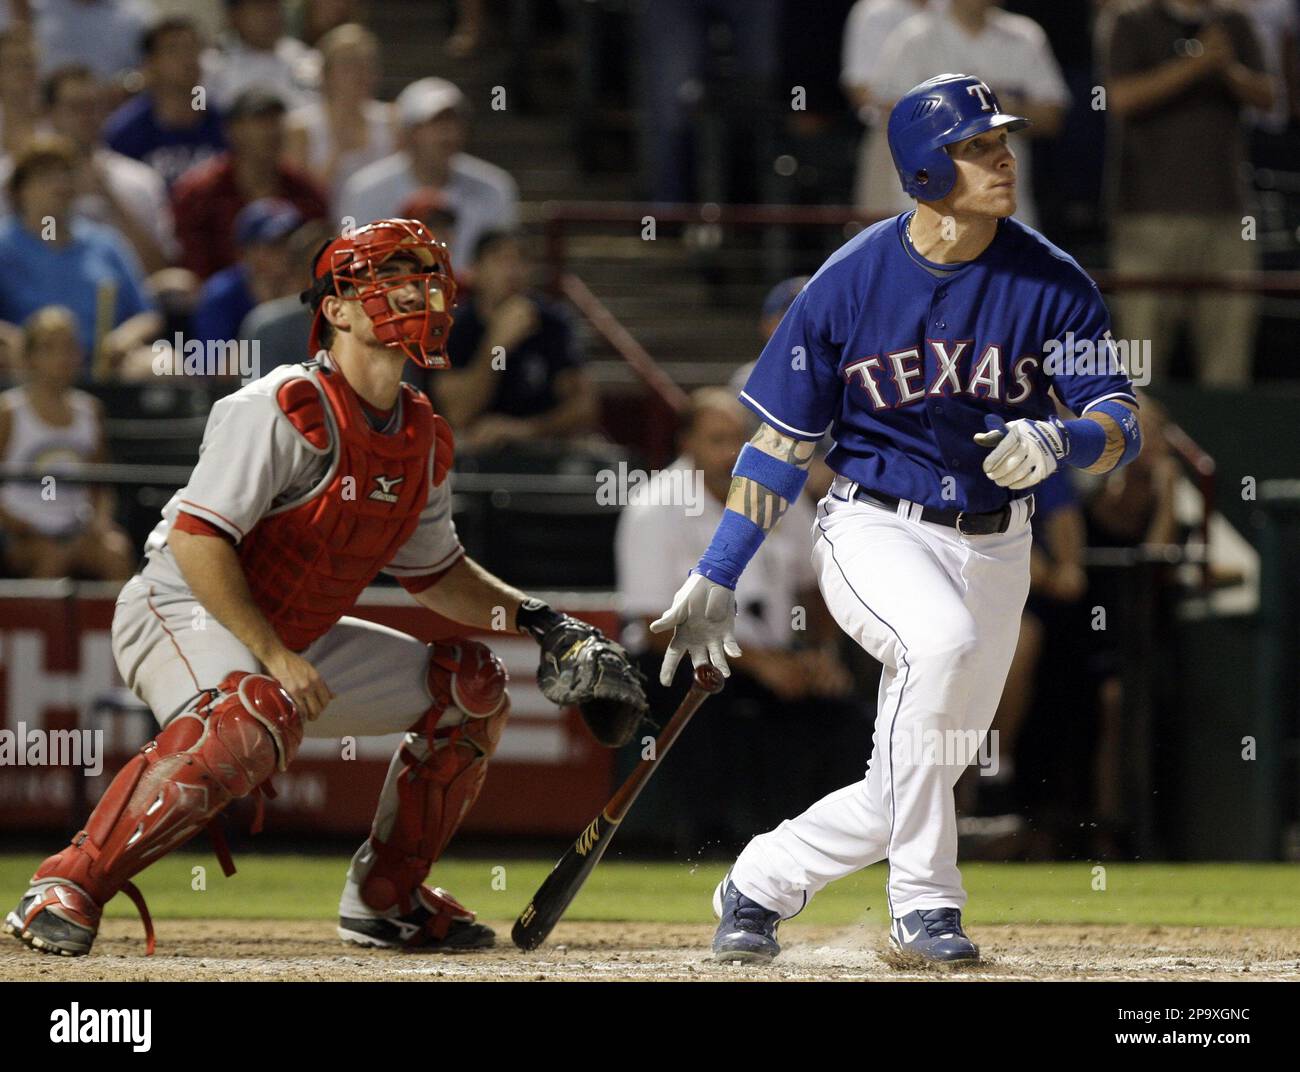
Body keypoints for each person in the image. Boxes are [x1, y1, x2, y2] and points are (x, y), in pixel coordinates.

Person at [3, 217, 648, 958]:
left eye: (423, 278)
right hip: (177, 608)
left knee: (471, 688)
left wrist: (541, 621)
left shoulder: (422, 435)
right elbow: (198, 538)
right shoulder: (279, 406)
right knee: (251, 715)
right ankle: (67, 882)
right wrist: (272, 653)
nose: (415, 292)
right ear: (336, 308)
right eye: (389, 278)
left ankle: (386, 899)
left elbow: (435, 575)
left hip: (289, 640)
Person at [651, 75, 1143, 966]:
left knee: (918, 770)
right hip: (875, 526)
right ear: (923, 168)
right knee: (940, 647)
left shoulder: (1052, 281)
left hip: (998, 542)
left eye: (1002, 141)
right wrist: (717, 570)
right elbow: (778, 444)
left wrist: (1063, 438)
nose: (1002, 158)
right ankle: (925, 907)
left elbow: (1120, 426)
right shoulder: (850, 280)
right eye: (975, 145)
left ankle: (758, 880)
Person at [616, 389, 859, 851]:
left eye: (738, 439)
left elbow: (813, 590)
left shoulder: (775, 495)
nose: (730, 451)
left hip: (779, 659)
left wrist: (816, 654)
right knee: (716, 709)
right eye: (716, 439)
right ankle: (713, 848)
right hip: (684, 665)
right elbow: (654, 624)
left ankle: (835, 847)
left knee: (844, 714)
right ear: (687, 443)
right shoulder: (656, 507)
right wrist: (758, 664)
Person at [1098, 0, 1272, 386]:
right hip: (1147, 213)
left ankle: (1225, 446)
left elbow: (1269, 96)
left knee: (1229, 362)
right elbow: (1121, 98)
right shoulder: (1131, 21)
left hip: (1228, 211)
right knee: (1140, 366)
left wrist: (1226, 67)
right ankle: (1138, 446)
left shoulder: (1235, 23)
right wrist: (1197, 64)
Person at [860, 0, 1068, 227]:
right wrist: (961, 111)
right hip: (934, 200)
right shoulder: (915, 36)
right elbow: (891, 113)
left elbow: (1052, 116)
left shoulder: (1024, 34)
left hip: (1004, 199)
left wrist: (998, 110)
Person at [0, 135, 160, 373]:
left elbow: (147, 315)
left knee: (157, 363)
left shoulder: (105, 243)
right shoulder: (5, 245)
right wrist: (16, 343)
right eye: (45, 176)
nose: (59, 184)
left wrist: (123, 338)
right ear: (19, 190)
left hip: (102, 366)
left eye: (66, 174)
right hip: (25, 368)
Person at [429, 229, 599, 450]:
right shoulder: (453, 327)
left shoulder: (552, 323)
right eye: (500, 260)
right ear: (475, 271)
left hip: (541, 448)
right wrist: (496, 346)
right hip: (472, 452)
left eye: (521, 260)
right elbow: (458, 414)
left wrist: (523, 430)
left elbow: (584, 409)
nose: (512, 270)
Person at [0, 306, 135, 580]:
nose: (62, 357)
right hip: (19, 534)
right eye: (49, 348)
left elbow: (100, 482)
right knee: (52, 556)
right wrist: (19, 526)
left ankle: (119, 624)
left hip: (78, 528)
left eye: (69, 347)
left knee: (116, 551)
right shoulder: (9, 412)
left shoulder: (91, 411)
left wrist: (100, 524)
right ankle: (36, 624)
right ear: (29, 357)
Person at [337, 77, 518, 271]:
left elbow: (503, 264)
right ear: (408, 132)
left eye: (454, 123)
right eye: (435, 124)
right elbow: (352, 262)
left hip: (470, 297)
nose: (448, 133)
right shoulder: (364, 190)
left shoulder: (495, 187)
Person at [32, 64, 177, 273]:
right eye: (76, 107)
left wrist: (109, 197)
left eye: (94, 106)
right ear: (49, 113)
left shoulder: (141, 181)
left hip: (124, 296)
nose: (87, 116)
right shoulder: (16, 180)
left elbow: (158, 269)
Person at [172, 87, 328, 279]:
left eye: (276, 121)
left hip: (295, 299)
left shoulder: (305, 191)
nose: (271, 131)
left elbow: (321, 258)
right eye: (260, 121)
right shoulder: (199, 193)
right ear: (232, 130)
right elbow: (192, 266)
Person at [102, 15, 227, 190]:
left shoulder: (222, 124)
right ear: (149, 64)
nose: (187, 59)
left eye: (193, 48)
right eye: (173, 50)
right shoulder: (124, 132)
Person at [285, 22, 396, 208]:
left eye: (367, 63)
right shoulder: (301, 128)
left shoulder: (391, 120)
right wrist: (337, 152)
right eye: (348, 64)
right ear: (326, 75)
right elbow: (300, 200)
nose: (360, 73)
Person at [193, 199, 303, 348]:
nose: (287, 251)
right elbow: (216, 368)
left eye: (292, 240)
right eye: (275, 244)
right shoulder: (221, 295)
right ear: (247, 253)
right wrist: (272, 311)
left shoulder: (309, 281)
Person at [202, 0, 321, 113]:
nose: (270, 16)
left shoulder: (305, 58)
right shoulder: (212, 66)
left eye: (274, 6)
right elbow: (196, 112)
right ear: (234, 16)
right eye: (260, 8)